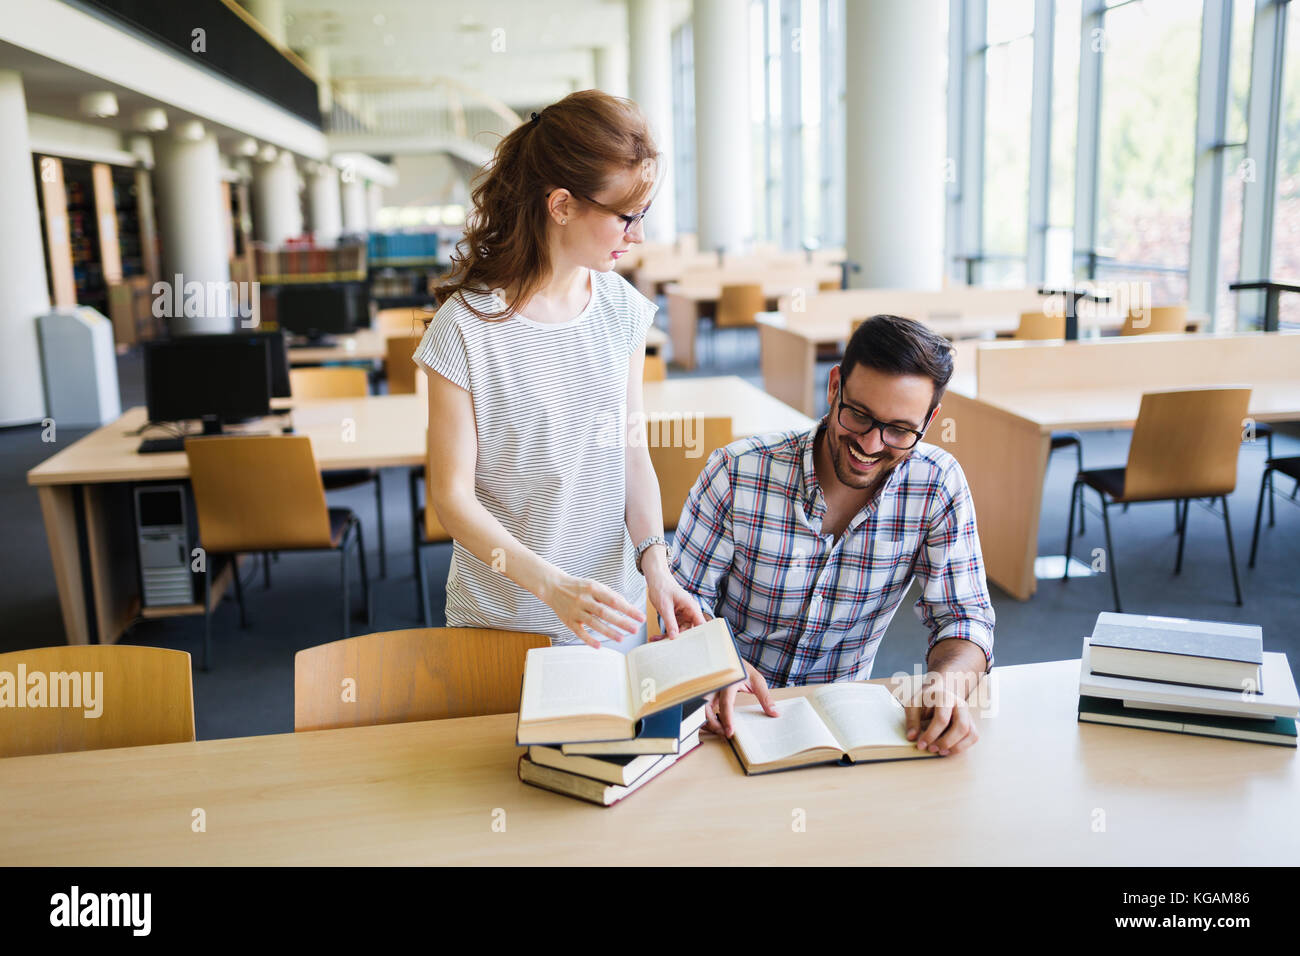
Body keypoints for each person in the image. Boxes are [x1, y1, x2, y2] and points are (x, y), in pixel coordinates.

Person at [414, 90, 704, 651]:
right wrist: (553, 588)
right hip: (501, 620)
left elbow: (631, 454)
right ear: (563, 205)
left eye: (643, 216)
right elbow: (452, 498)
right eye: (627, 217)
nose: (638, 235)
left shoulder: (622, 310)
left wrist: (655, 562)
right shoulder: (465, 326)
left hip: (606, 612)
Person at [671, 314, 996, 754]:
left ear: (930, 419)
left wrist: (948, 685)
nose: (871, 444)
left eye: (899, 430)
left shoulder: (937, 484)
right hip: (727, 713)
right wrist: (714, 667)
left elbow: (964, 618)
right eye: (858, 415)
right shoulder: (737, 472)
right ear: (834, 386)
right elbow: (679, 609)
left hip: (843, 728)